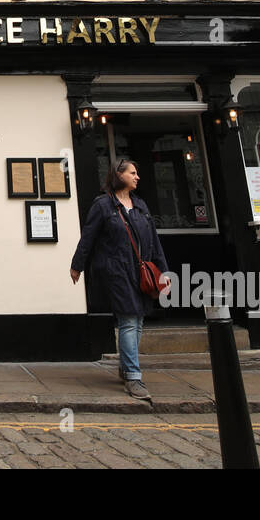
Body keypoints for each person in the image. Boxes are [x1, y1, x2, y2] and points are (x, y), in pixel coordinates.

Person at [70, 157, 170, 401]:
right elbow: (88, 237)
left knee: (138, 320)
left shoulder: (140, 205)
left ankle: (127, 367)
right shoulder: (103, 205)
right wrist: (77, 265)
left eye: (137, 173)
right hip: (115, 270)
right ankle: (134, 377)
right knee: (128, 319)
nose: (137, 177)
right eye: (132, 173)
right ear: (119, 175)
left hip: (141, 271)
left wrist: (164, 271)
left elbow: (154, 241)